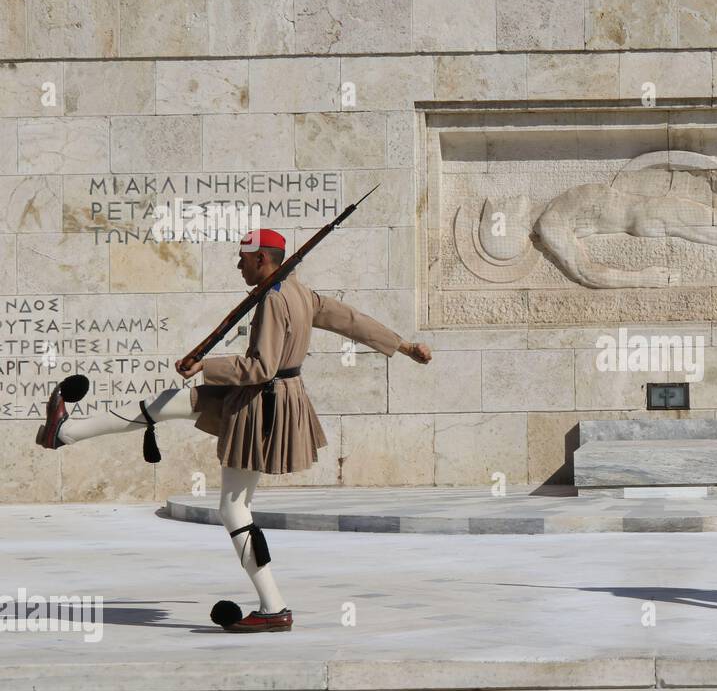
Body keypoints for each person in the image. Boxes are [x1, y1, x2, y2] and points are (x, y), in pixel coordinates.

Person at [36, 229, 433, 633]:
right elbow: (350, 320)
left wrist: (206, 366)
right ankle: (65, 432)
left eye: (242, 258)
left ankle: (273, 606)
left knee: (234, 509)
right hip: (263, 397)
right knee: (171, 403)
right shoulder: (298, 292)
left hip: (259, 402)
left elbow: (262, 367)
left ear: (262, 258)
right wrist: (402, 345)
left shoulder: (276, 299)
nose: (237, 264)